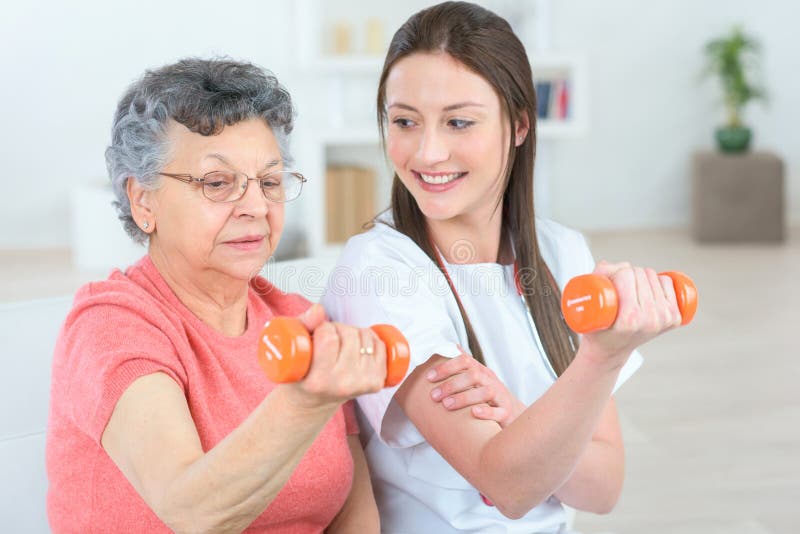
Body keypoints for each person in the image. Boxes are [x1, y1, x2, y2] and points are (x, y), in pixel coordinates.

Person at [321, 3, 687, 532]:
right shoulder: (378, 270)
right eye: (404, 121)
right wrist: (599, 359)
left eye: (459, 122)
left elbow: (603, 486)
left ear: (518, 125)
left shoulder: (563, 253)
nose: (427, 152)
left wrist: (516, 415)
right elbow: (509, 485)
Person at [46, 58, 387, 533]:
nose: (255, 206)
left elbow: (355, 511)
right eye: (217, 183)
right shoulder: (110, 324)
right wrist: (305, 401)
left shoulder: (295, 317)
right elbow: (191, 511)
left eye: (269, 182)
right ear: (143, 201)